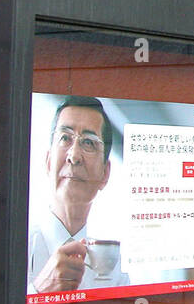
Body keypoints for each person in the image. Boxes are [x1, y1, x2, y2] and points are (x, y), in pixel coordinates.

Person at [27, 96, 127, 293]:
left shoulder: (115, 269)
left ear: (105, 174)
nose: (74, 156)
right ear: (48, 162)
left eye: (89, 143)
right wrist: (38, 291)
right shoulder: (7, 247)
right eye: (65, 138)